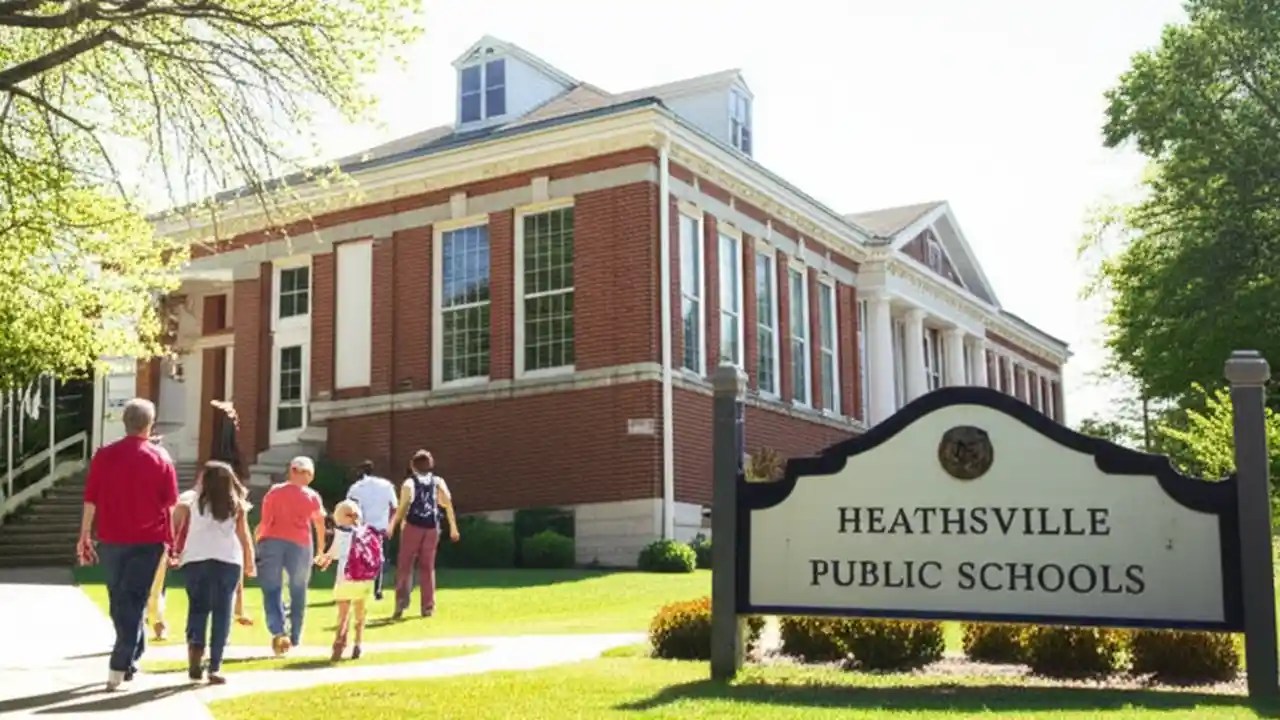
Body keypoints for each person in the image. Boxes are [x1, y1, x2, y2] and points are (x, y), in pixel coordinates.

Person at [77, 398, 179, 691]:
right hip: (145, 540)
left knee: (126, 600)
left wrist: (85, 533)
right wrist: (172, 541)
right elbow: (170, 506)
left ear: (125, 422)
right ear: (150, 424)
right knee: (123, 602)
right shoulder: (160, 458)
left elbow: (91, 499)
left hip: (117, 540)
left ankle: (118, 665)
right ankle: (133, 652)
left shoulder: (104, 456)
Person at [171, 461, 256, 684]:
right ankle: (215, 665)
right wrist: (249, 561)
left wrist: (172, 550)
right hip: (228, 560)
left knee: (197, 608)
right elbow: (244, 535)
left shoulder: (192, 500)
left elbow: (174, 524)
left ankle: (195, 653)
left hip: (196, 558)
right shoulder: (236, 504)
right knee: (222, 612)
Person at [255, 456, 326, 656]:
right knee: (298, 589)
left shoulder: (274, 492)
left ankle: (278, 631)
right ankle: (294, 635)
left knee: (272, 588)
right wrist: (321, 549)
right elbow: (319, 523)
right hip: (300, 544)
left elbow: (265, 521)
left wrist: (257, 541)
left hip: (272, 542)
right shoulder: (311, 496)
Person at [388, 450, 459, 620]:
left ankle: (401, 603)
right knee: (427, 567)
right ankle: (428, 606)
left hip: (413, 526)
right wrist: (453, 527)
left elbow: (403, 506)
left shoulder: (409, 483)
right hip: (432, 527)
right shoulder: (438, 482)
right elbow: (447, 503)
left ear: (413, 466)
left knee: (405, 565)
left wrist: (392, 525)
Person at [318, 500, 382, 661]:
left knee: (343, 614)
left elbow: (331, 554)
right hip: (365, 580)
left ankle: (339, 642)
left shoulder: (340, 534)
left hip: (346, 579)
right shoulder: (367, 533)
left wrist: (322, 560)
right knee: (360, 613)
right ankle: (358, 643)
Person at [345, 460, 397, 601]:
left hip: (362, 528)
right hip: (381, 527)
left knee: (361, 558)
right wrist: (391, 525)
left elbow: (349, 509)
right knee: (379, 558)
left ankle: (359, 587)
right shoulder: (387, 486)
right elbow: (394, 507)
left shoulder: (355, 488)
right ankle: (377, 589)